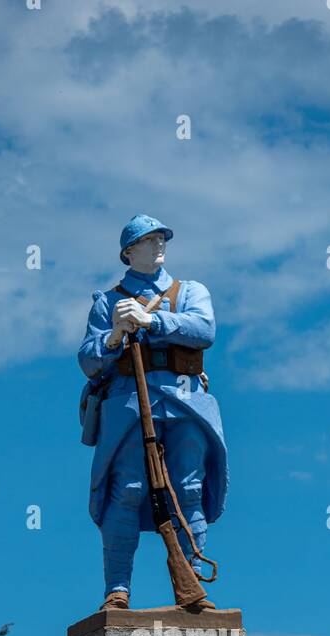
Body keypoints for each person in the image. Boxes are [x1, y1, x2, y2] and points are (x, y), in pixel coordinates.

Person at [78, 214, 228, 610]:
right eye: (149, 239)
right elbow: (88, 361)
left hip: (185, 403)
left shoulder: (189, 291)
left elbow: (204, 329)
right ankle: (117, 591)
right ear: (129, 252)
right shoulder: (107, 302)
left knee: (189, 490)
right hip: (129, 404)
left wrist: (151, 320)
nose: (158, 243)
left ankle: (193, 584)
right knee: (126, 491)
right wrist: (114, 335)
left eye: (161, 237)